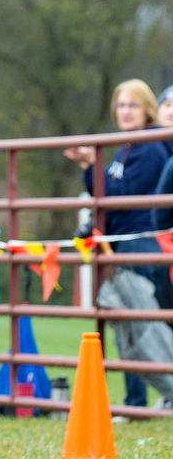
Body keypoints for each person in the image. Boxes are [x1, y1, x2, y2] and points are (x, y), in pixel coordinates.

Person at [65, 79, 172, 408]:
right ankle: (135, 401)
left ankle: (147, 399)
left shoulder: (150, 147)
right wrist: (90, 167)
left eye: (133, 105)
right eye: (121, 105)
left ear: (147, 110)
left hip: (142, 248)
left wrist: (94, 166)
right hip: (121, 247)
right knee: (127, 326)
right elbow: (104, 194)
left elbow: (124, 198)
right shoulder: (126, 146)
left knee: (146, 328)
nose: (125, 112)